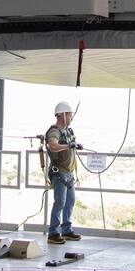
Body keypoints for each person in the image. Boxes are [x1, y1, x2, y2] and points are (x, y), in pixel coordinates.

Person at [45, 101, 82, 245]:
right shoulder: (55, 131)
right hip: (59, 173)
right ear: (62, 115)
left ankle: (66, 230)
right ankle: (53, 233)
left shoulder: (68, 131)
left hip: (69, 173)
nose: (72, 117)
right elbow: (53, 145)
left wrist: (74, 145)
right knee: (60, 202)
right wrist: (68, 145)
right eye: (70, 114)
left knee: (70, 202)